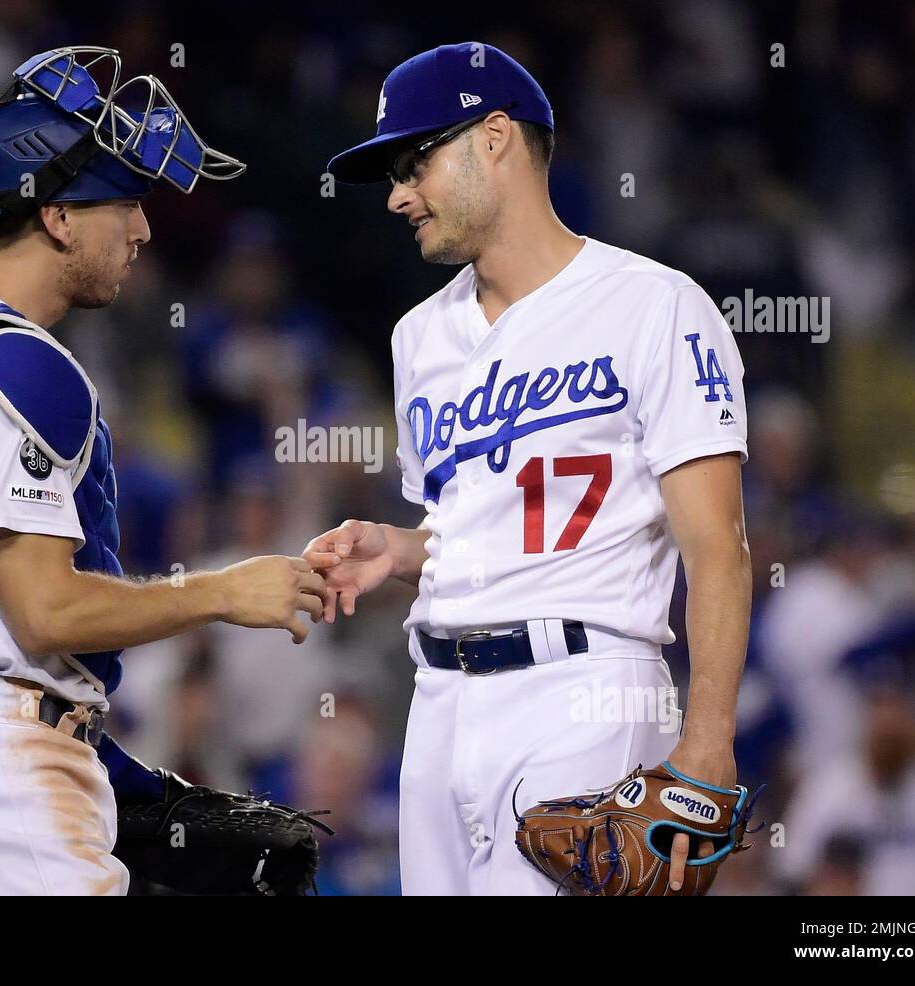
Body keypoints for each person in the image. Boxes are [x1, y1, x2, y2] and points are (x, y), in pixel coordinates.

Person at [0, 47, 327, 895]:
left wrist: (128, 783)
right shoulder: (24, 364)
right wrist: (224, 591)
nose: (143, 230)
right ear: (60, 214)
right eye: (125, 203)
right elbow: (45, 611)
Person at [305, 42, 751, 895]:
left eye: (414, 162)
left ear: (496, 137)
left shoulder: (654, 306)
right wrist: (402, 551)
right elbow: (474, 525)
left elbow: (718, 546)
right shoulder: (418, 338)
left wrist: (707, 740)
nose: (398, 195)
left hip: (585, 692)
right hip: (436, 703)